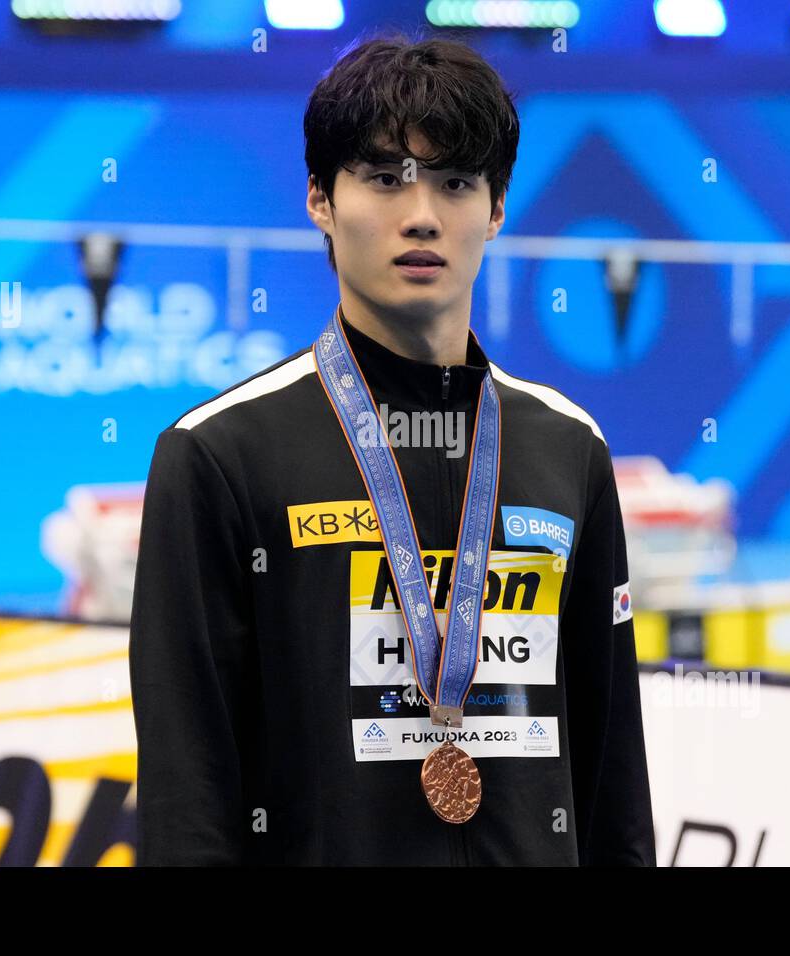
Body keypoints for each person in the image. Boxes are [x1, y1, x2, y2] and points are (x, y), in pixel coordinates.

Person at [128, 34, 655, 865]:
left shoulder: (568, 450)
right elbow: (187, 795)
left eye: (456, 182)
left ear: (498, 208)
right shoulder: (220, 456)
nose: (422, 215)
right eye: (383, 178)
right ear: (320, 201)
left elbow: (611, 772)